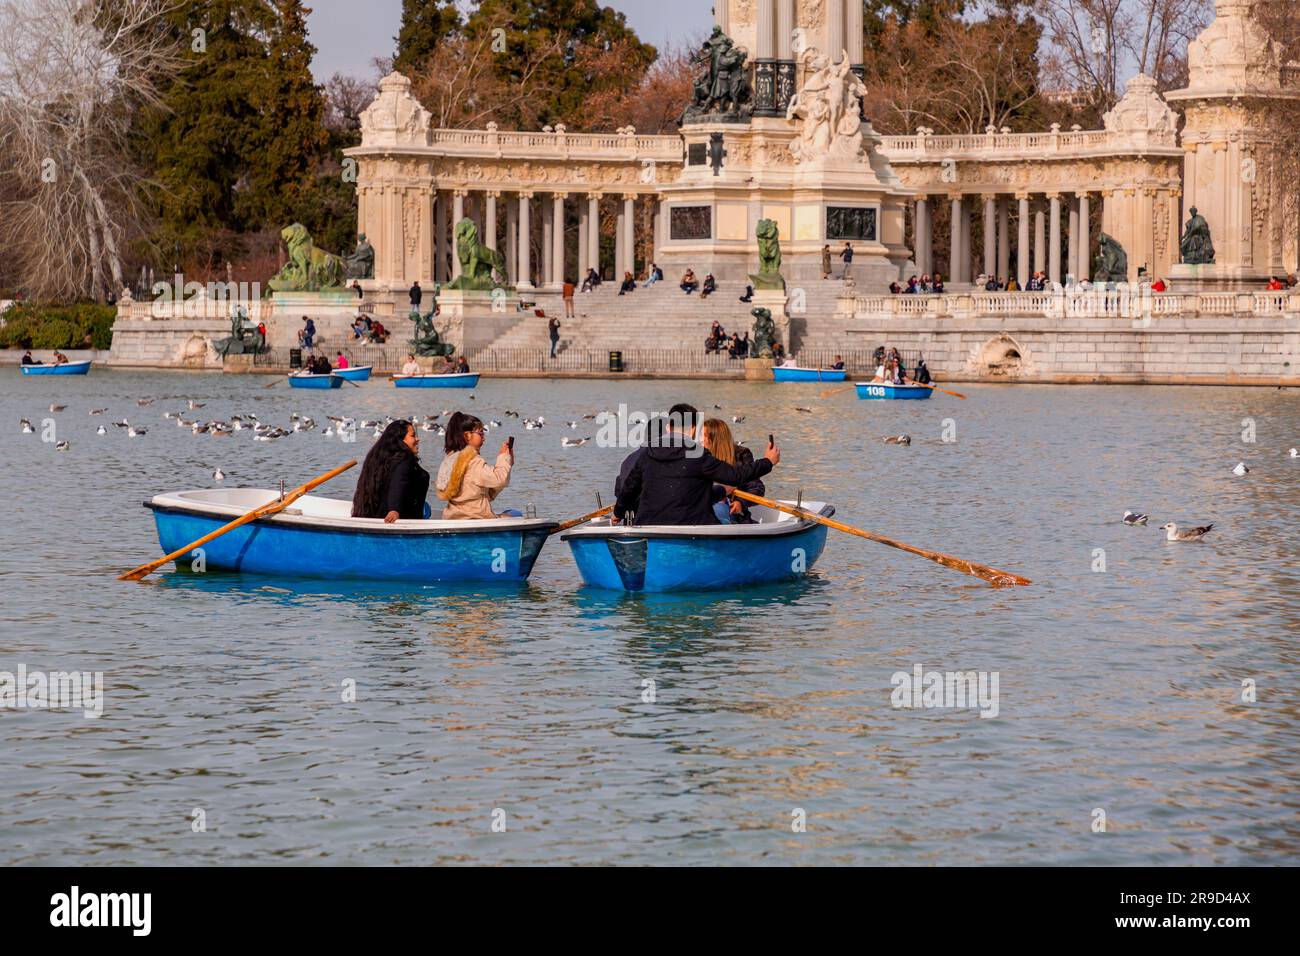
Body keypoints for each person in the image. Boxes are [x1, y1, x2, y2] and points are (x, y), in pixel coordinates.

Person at [612, 403, 779, 526]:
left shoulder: (647, 454)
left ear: (669, 427)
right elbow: (736, 476)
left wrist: (618, 513)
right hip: (690, 526)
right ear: (692, 429)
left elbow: (628, 489)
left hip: (649, 524)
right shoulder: (698, 455)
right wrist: (768, 461)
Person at [436, 412, 513, 519]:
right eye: (481, 433)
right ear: (467, 436)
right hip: (476, 517)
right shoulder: (473, 461)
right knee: (514, 514)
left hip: (454, 517)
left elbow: (485, 494)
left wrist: (507, 463)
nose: (484, 438)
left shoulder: (449, 459)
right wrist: (504, 458)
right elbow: (500, 478)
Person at [352, 420, 429, 523]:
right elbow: (399, 482)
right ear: (400, 440)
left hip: (376, 516)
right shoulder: (405, 459)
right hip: (397, 520)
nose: (417, 439)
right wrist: (394, 509)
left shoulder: (380, 459)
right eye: (413, 436)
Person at [701, 418, 765, 524]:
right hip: (701, 510)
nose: (697, 440)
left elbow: (756, 488)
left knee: (718, 509)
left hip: (730, 511)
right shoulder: (697, 456)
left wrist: (740, 503)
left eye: (702, 436)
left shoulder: (741, 455)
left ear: (715, 439)